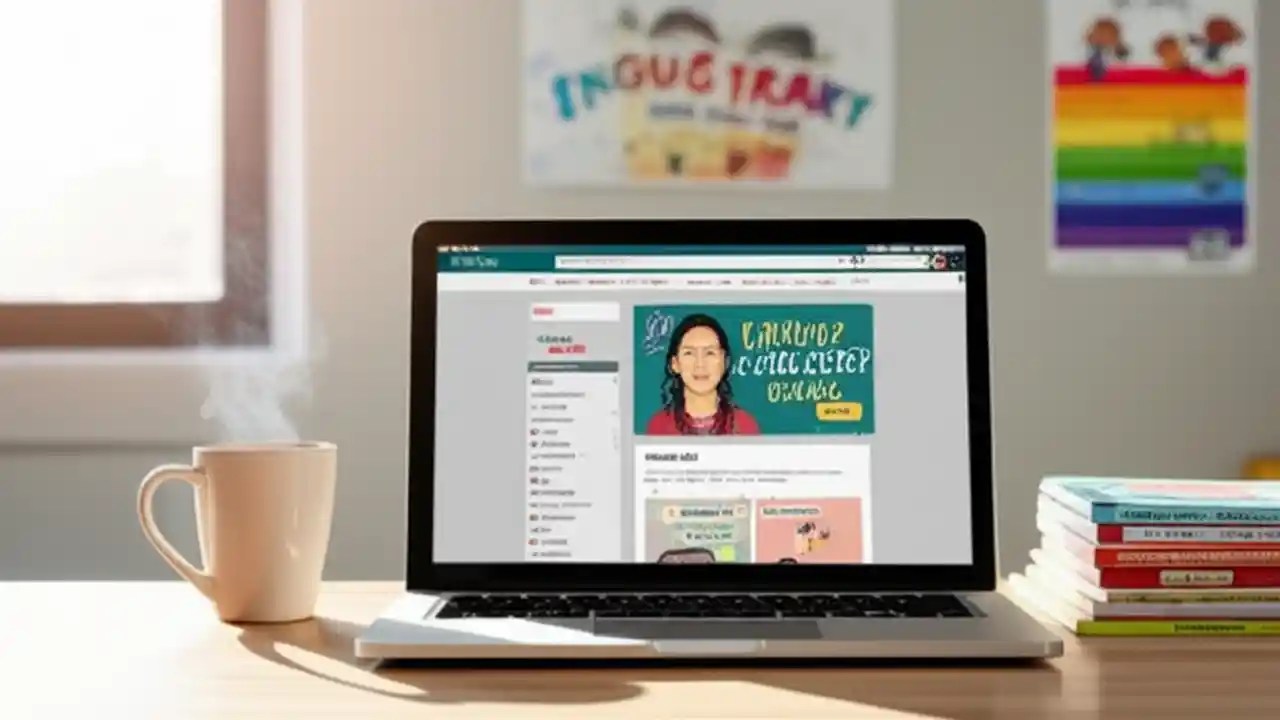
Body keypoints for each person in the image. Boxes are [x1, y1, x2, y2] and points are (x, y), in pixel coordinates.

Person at [645, 314, 760, 435]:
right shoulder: (658, 427)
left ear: (725, 362)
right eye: (689, 353)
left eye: (710, 353)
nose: (700, 364)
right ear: (675, 364)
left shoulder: (745, 426)